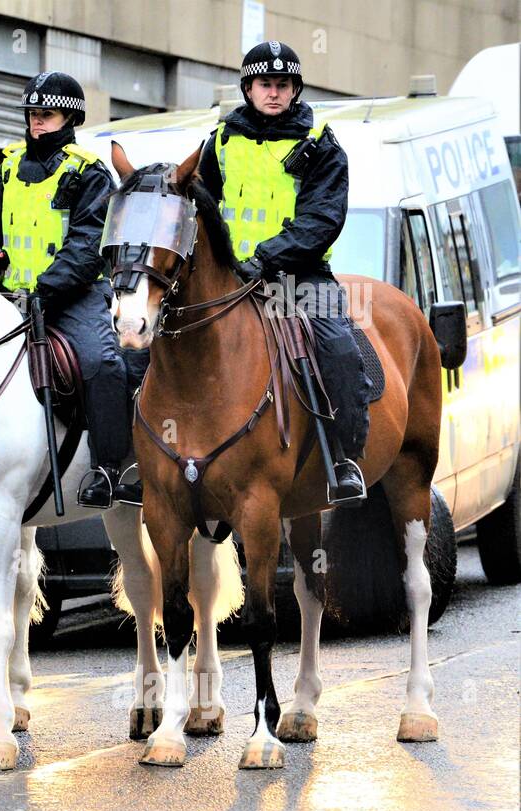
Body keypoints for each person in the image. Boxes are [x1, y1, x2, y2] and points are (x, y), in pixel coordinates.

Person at [0, 71, 146, 508]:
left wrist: (44, 293)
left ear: (69, 118)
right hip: (8, 299)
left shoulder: (89, 174)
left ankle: (108, 468)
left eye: (46, 115)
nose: (37, 123)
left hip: (72, 300)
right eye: (32, 115)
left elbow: (86, 249)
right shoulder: (6, 168)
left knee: (104, 365)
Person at [198, 40, 369, 503]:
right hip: (230, 278)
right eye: (264, 84)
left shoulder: (321, 143)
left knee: (338, 349)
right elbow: (198, 206)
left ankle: (343, 458)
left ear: (294, 90)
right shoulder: (219, 141)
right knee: (166, 336)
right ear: (248, 88)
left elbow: (322, 220)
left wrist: (268, 258)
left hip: (299, 278)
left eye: (283, 85)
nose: (273, 93)